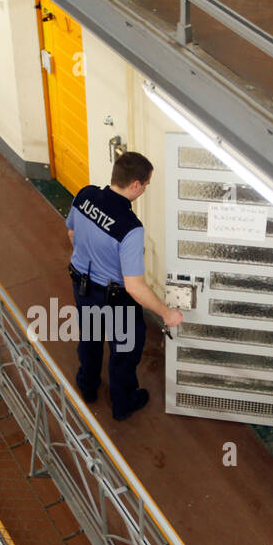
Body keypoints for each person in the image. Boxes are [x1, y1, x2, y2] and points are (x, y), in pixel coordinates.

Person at [65, 151, 184, 420]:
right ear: (135, 185)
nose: (145, 189)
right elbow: (134, 287)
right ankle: (123, 403)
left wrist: (90, 255)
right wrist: (167, 314)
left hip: (83, 288)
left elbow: (72, 232)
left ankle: (88, 386)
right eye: (146, 185)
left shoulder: (85, 196)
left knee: (91, 338)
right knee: (124, 352)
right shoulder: (131, 228)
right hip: (116, 300)